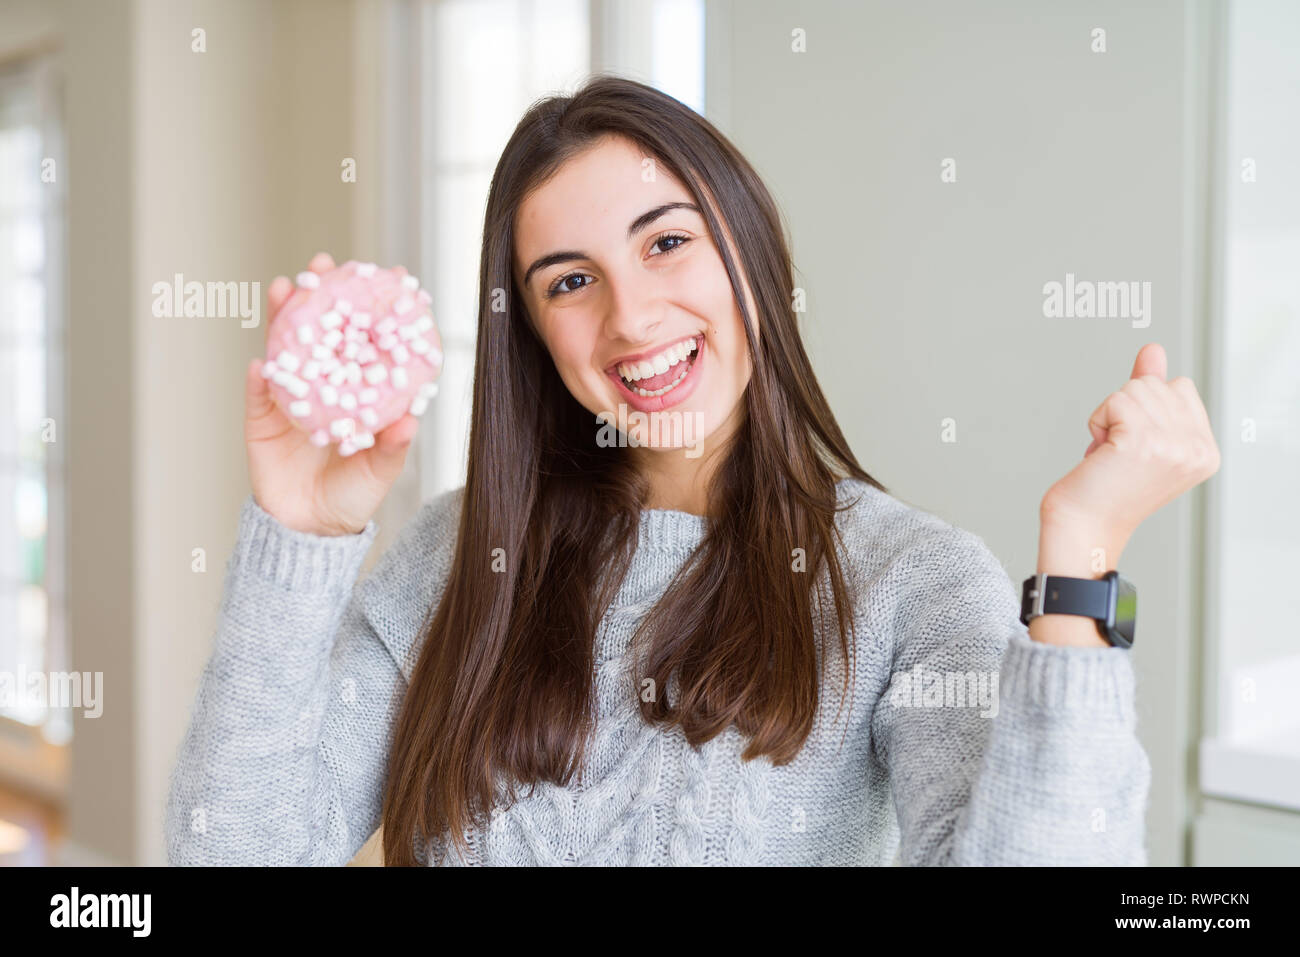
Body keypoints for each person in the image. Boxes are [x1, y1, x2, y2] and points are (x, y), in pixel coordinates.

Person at [165, 74, 1220, 866]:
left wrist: (1081, 565)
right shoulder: (456, 553)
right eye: (570, 280)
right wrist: (297, 531)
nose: (631, 318)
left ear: (749, 253)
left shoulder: (912, 582)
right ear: (533, 335)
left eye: (665, 244)